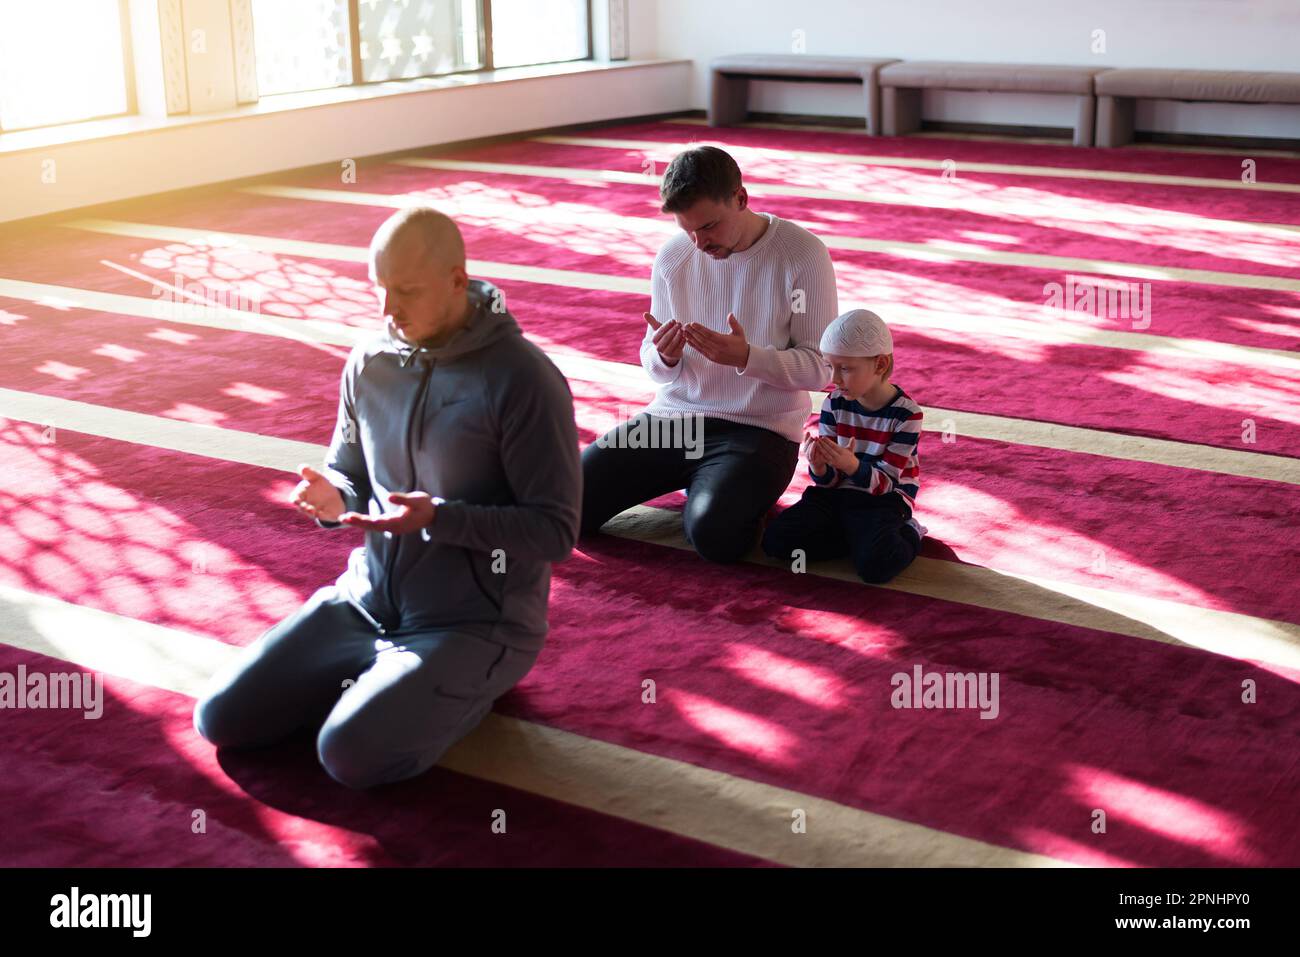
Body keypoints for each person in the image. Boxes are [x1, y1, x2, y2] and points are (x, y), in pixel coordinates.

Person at [193, 207, 581, 789]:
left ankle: (477, 688)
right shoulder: (370, 361)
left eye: (405, 290)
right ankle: (389, 684)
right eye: (380, 289)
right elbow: (347, 469)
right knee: (220, 717)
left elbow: (554, 530)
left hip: (474, 622)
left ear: (457, 280)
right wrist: (332, 495)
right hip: (366, 599)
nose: (387, 309)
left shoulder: (522, 379)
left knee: (349, 755)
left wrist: (441, 519)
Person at [581, 145, 838, 562]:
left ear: (741, 198)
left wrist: (747, 357)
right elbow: (654, 363)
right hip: (673, 419)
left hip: (758, 430)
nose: (699, 243)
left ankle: (716, 485)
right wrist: (663, 357)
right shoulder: (674, 257)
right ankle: (704, 479)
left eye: (710, 226)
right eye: (688, 231)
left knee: (716, 536)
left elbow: (821, 368)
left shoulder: (802, 255)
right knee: (566, 505)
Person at [761, 309, 926, 584]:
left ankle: (909, 531)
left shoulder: (907, 416)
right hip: (838, 495)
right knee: (776, 541)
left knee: (876, 567)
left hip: (882, 500)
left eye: (846, 368)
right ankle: (855, 536)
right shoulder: (835, 403)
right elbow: (828, 482)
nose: (835, 379)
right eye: (831, 367)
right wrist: (819, 465)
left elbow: (887, 483)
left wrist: (851, 465)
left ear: (880, 365)